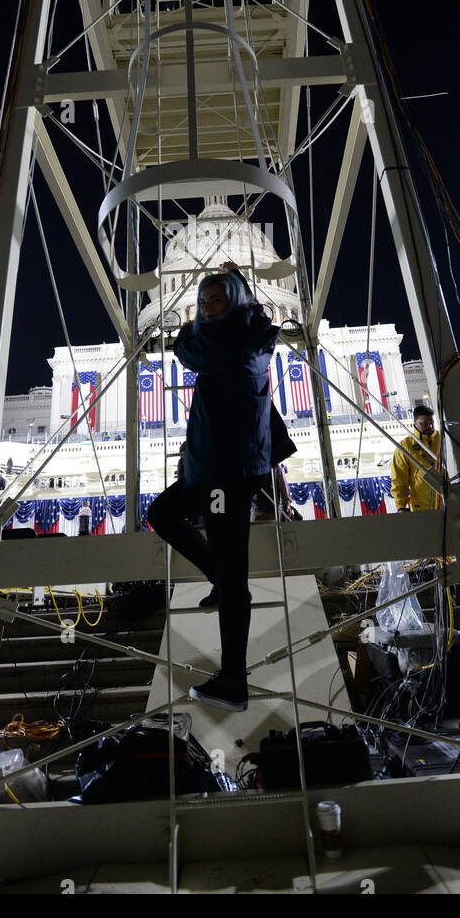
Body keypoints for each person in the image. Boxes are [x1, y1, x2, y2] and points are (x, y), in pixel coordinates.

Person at [146, 262, 296, 712]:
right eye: (203, 303)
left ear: (235, 301)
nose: (207, 311)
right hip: (219, 469)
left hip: (226, 473)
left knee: (232, 574)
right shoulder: (247, 334)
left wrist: (190, 328)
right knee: (166, 516)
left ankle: (233, 679)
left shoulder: (240, 345)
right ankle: (219, 579)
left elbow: (188, 351)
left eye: (216, 302)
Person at [390, 405, 442, 511]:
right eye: (424, 424)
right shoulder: (404, 448)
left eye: (432, 423)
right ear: (415, 423)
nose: (430, 427)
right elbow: (399, 481)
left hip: (446, 502)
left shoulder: (442, 440)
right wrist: (401, 507)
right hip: (421, 508)